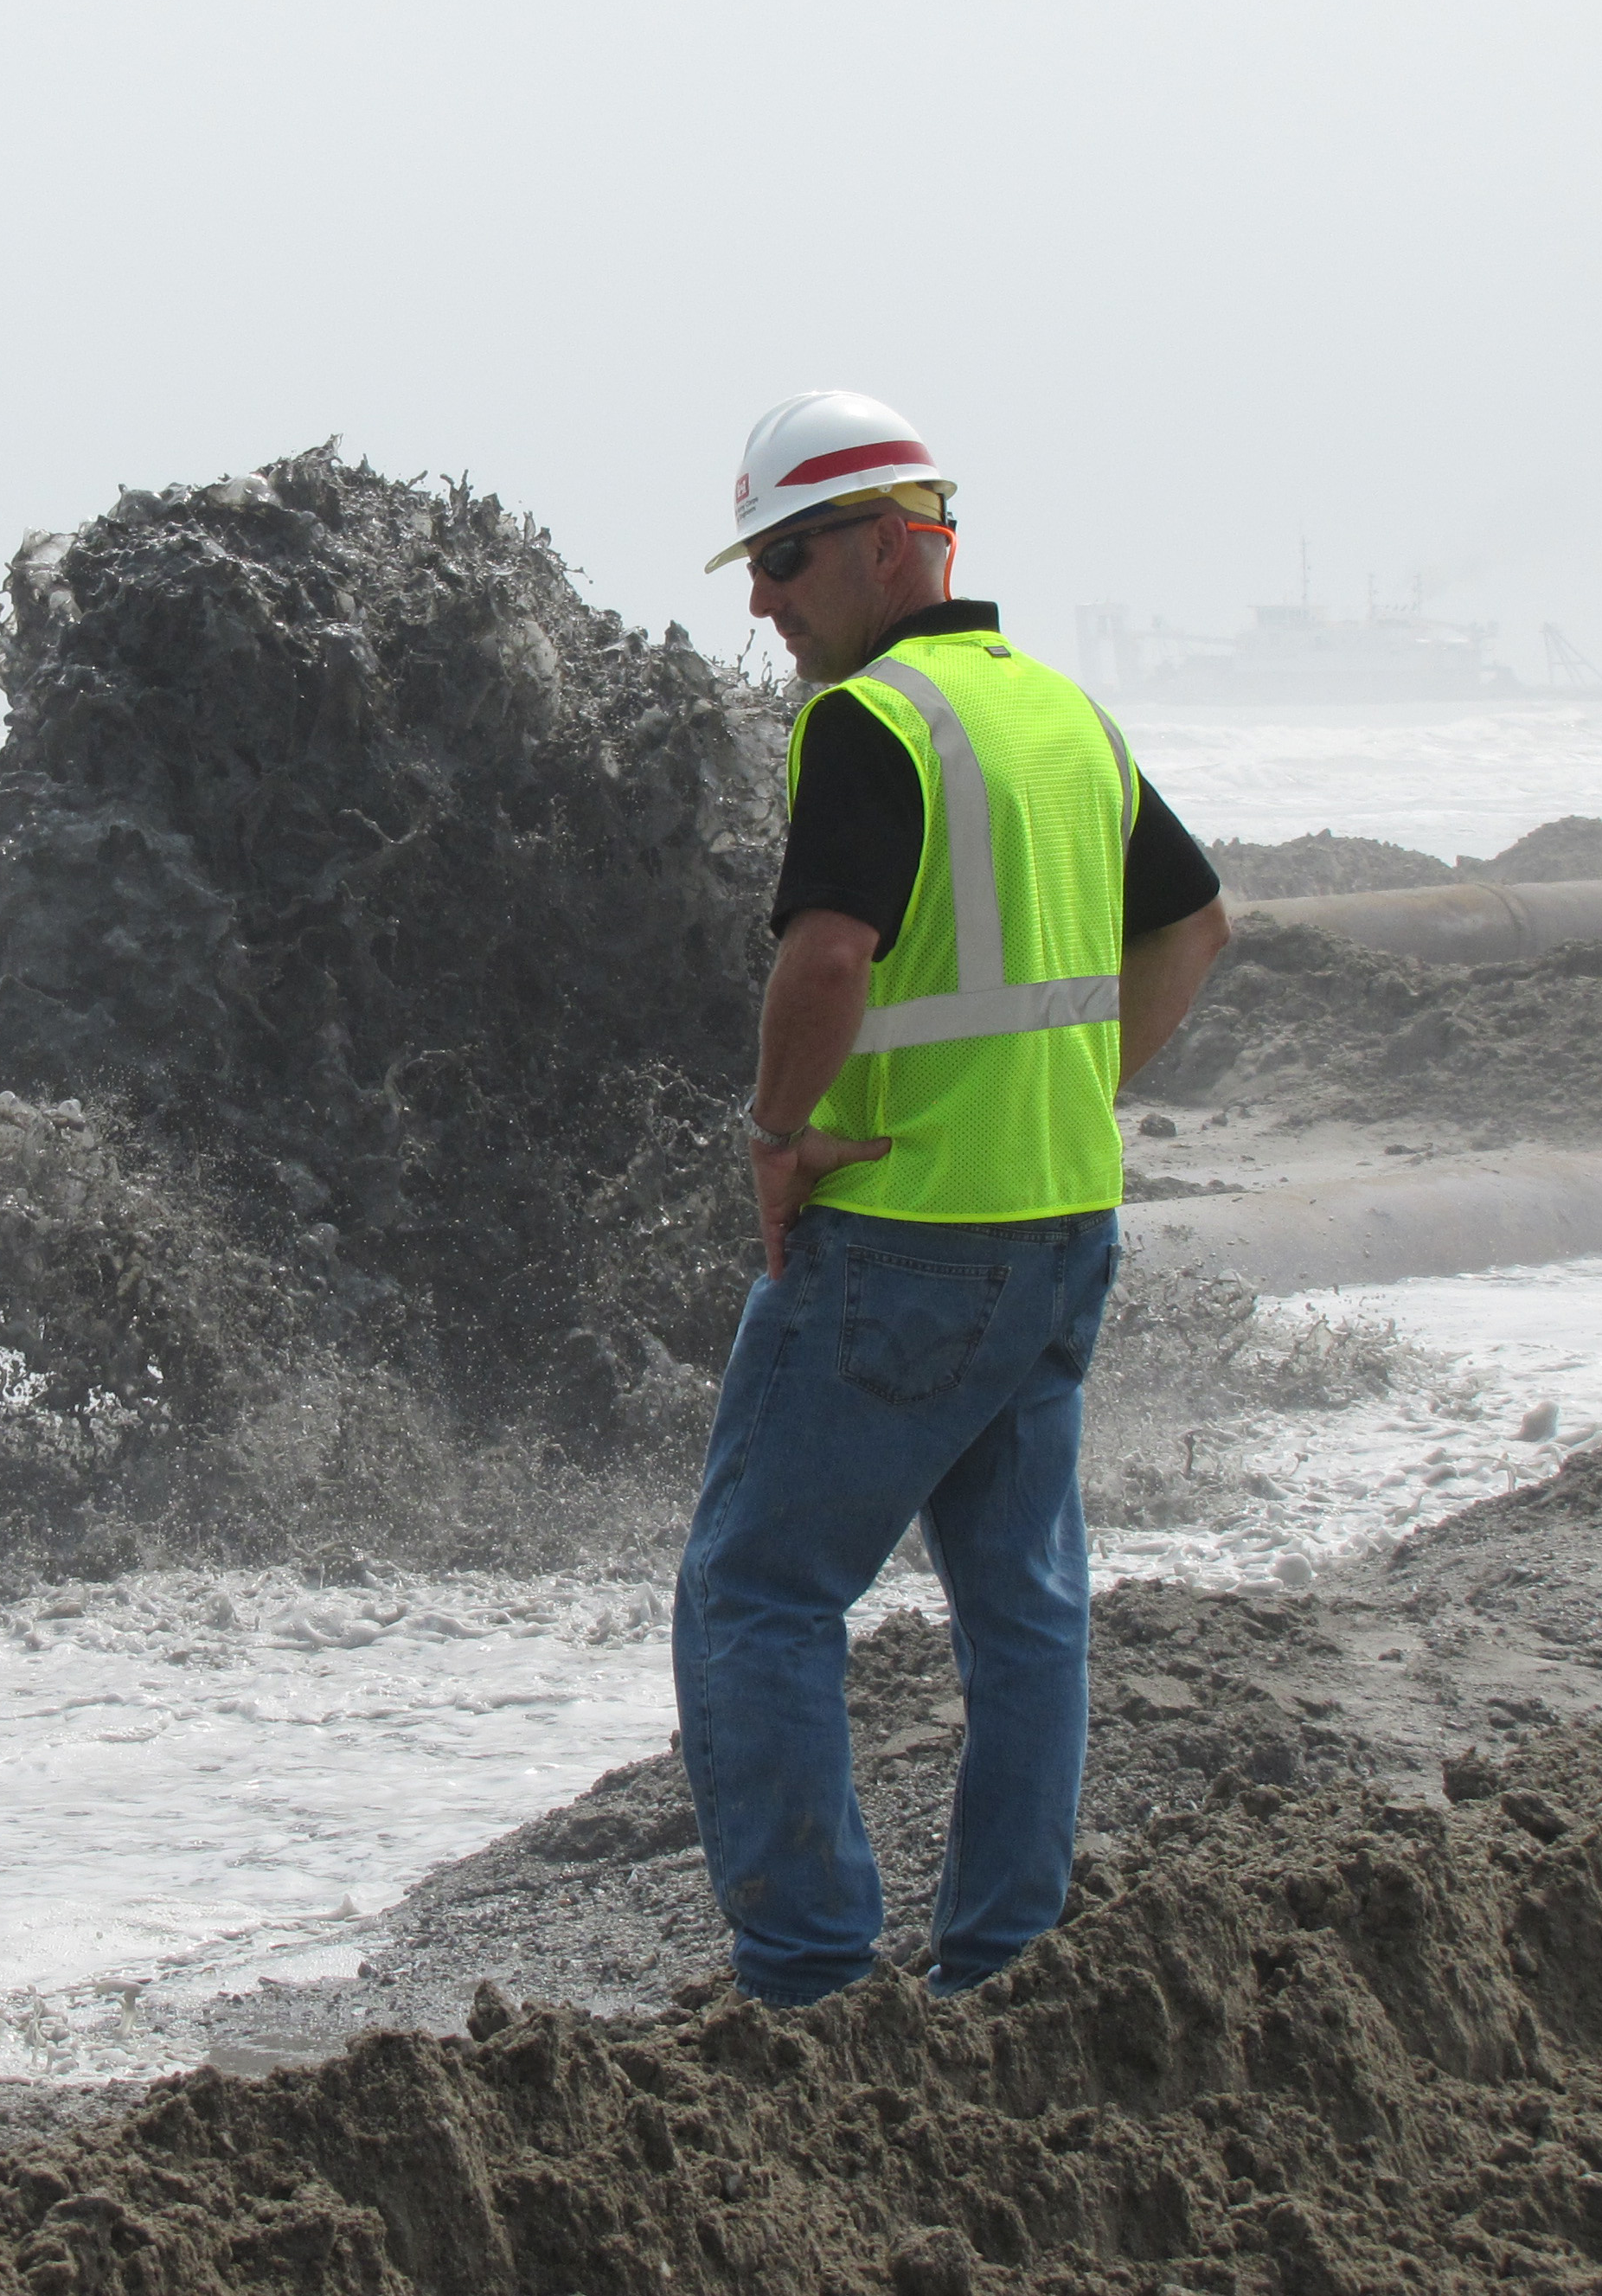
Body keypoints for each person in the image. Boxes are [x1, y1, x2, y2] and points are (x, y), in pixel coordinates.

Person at [670, 390, 1231, 2008]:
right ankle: (1002, 1961)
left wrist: (778, 1134)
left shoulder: (872, 722)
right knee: (1025, 1607)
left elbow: (829, 951)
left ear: (895, 542)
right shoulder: (1065, 716)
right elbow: (1193, 928)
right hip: (1060, 1228)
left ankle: (808, 1974)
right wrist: (1076, 1087)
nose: (761, 598)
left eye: (782, 558)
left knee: (758, 1588)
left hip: (903, 1235)